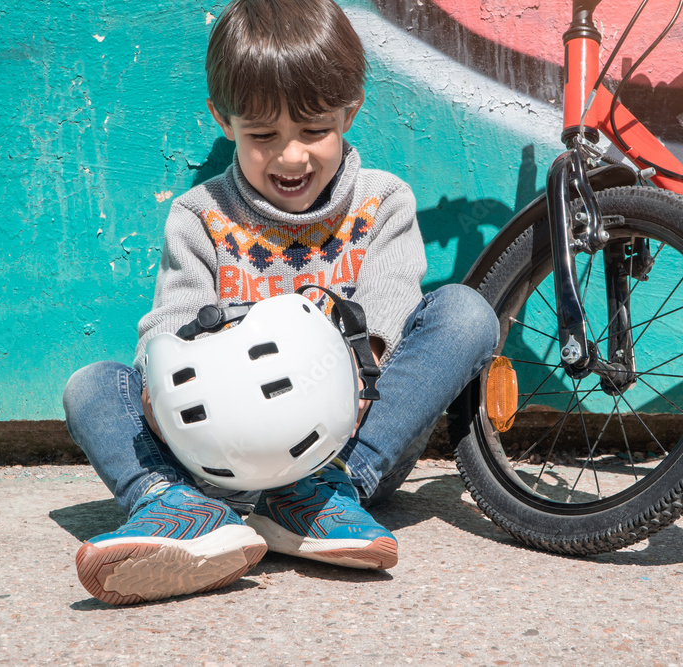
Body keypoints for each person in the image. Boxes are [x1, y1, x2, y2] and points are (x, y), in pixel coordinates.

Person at [62, 0, 499, 605]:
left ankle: (318, 500)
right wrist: (159, 387)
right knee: (92, 386)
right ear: (224, 119)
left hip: (342, 447)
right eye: (263, 136)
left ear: (350, 112)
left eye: (315, 130)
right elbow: (168, 326)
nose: (291, 156)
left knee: (465, 315)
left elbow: (391, 310)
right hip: (217, 456)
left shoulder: (383, 203)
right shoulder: (200, 216)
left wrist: (352, 358)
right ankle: (174, 508)